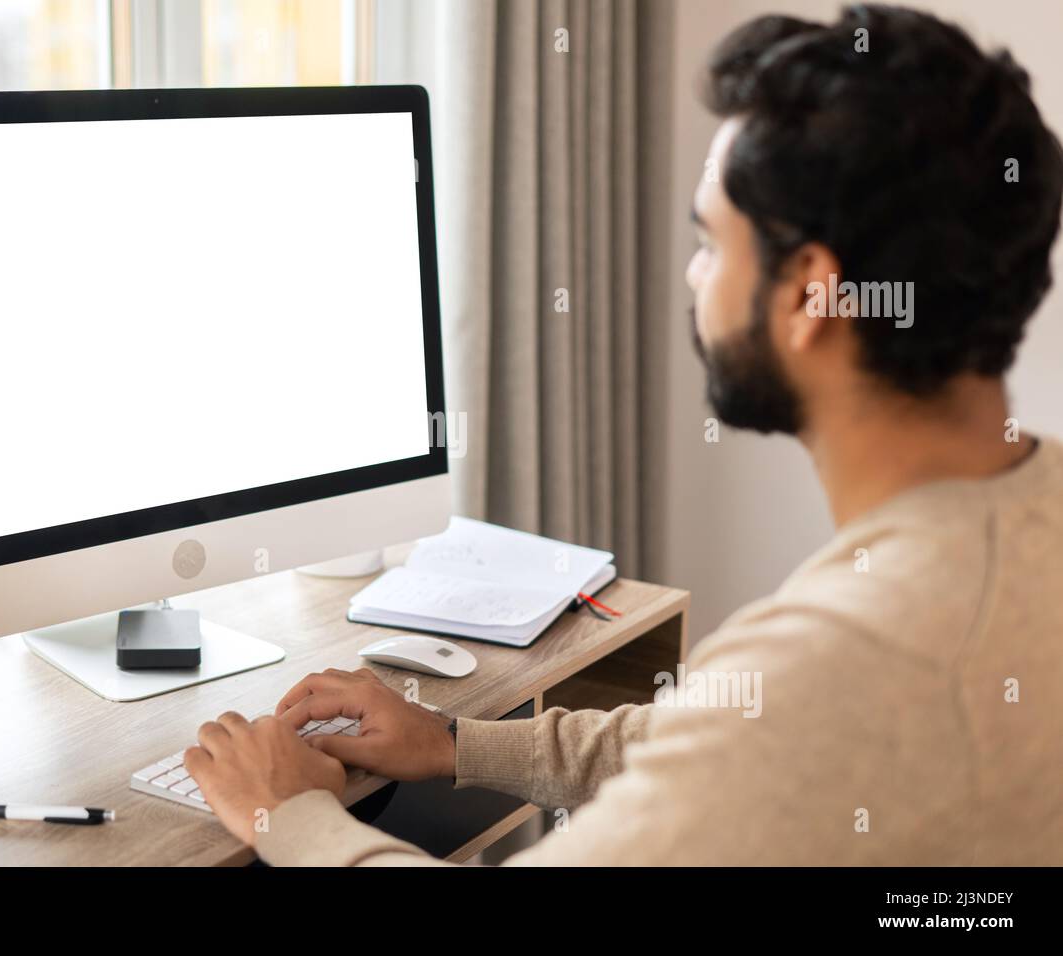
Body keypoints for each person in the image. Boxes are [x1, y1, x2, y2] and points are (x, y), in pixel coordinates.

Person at [181, 4, 1063, 865]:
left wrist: (288, 816)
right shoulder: (1016, 521)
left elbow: (787, 724)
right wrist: (459, 744)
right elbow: (731, 741)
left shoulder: (851, 659)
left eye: (710, 242)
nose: (692, 274)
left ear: (808, 297)